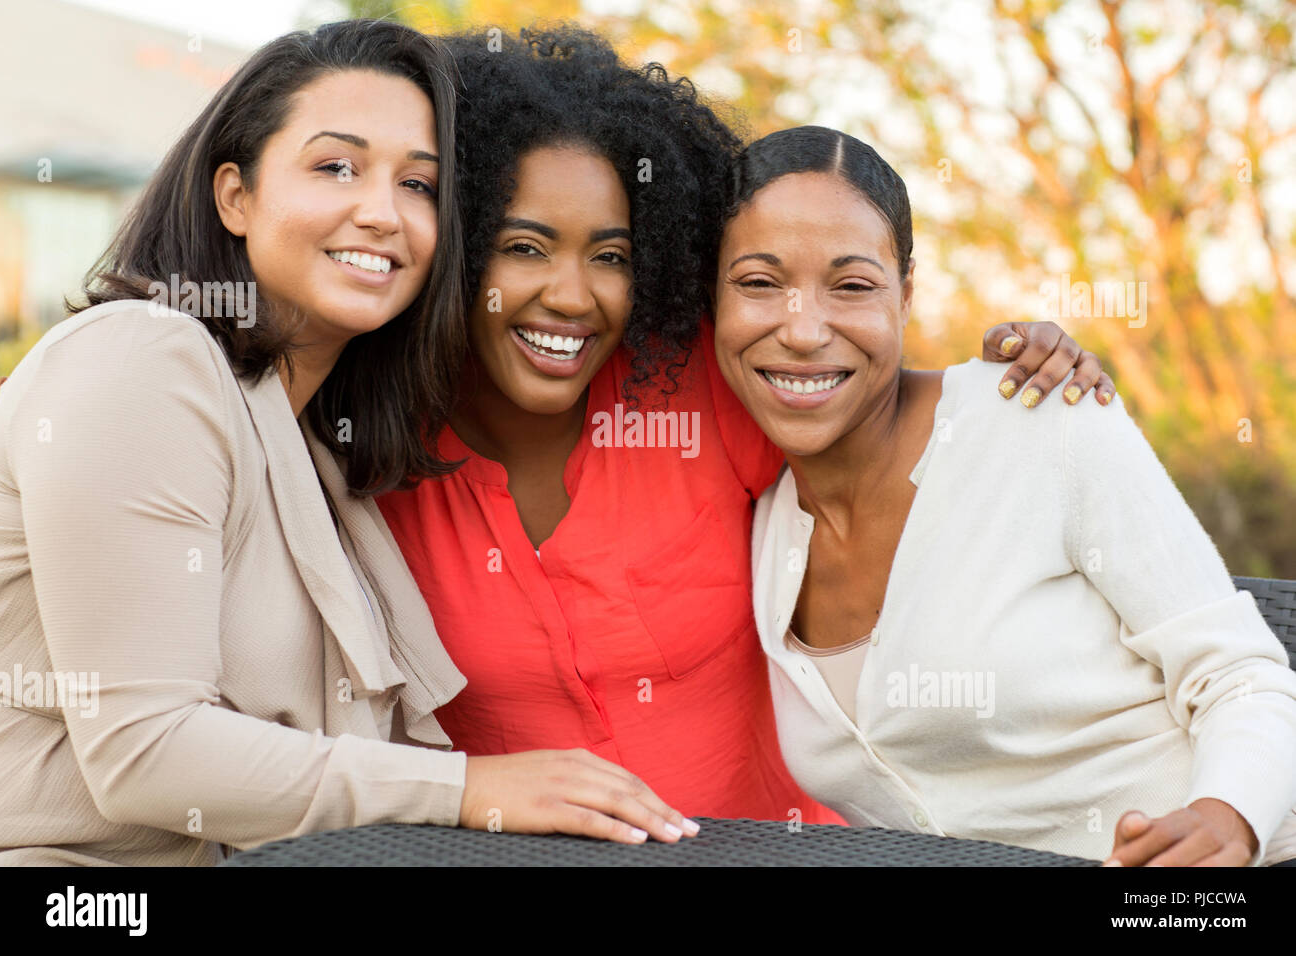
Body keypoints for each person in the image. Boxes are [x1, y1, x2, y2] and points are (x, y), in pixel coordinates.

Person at [376, 26, 1118, 824]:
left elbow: (888, 421)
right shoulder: (373, 444)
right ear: (454, 246)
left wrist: (1022, 381)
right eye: (523, 247)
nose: (570, 295)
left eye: (613, 257)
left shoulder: (691, 385)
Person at [0, 19, 694, 867]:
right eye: (336, 167)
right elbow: (146, 754)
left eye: (419, 185)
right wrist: (473, 791)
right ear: (235, 195)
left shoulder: (321, 449)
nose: (382, 213)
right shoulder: (144, 359)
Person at [712, 124, 1296, 864]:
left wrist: (1226, 819)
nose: (802, 330)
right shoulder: (764, 526)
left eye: (852, 284)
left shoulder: (1034, 414)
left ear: (906, 295)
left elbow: (1240, 673)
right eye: (760, 283)